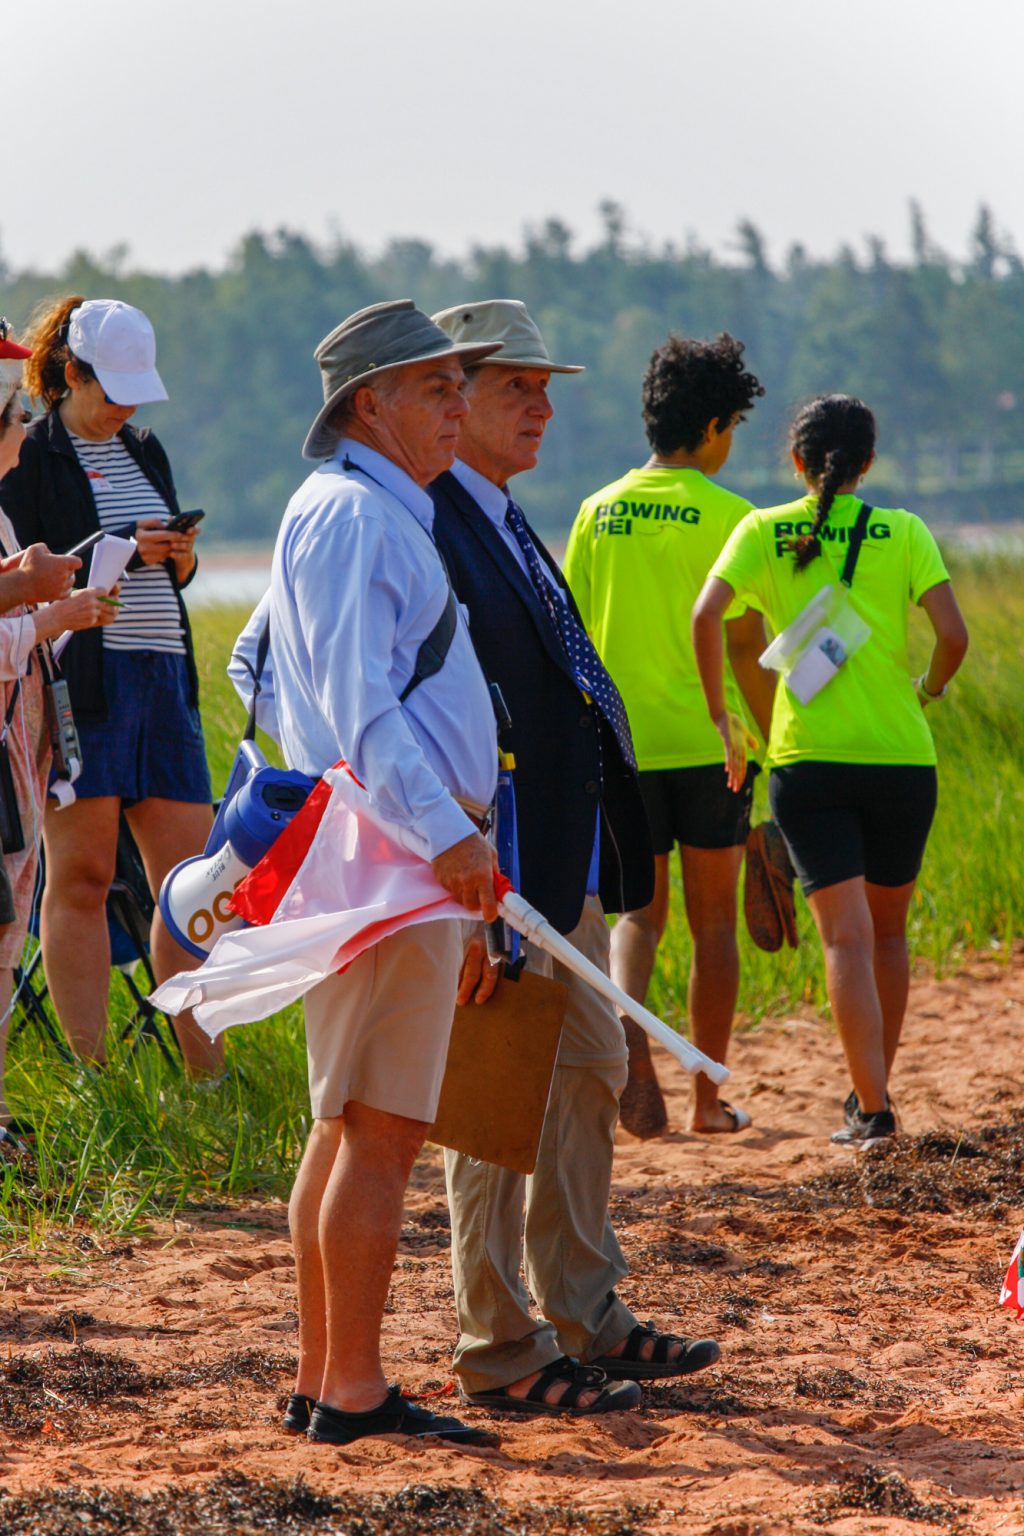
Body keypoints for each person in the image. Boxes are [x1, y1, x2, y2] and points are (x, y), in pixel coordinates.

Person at [428, 299, 718, 1416]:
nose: (541, 407)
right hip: (496, 869)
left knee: (589, 1072)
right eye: (517, 387)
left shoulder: (500, 514)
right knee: (493, 1105)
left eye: (546, 388)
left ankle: (586, 1311)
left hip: (562, 861)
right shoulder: (430, 520)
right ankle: (499, 1342)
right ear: (452, 396)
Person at [267, 300, 508, 1446]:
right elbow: (361, 706)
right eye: (435, 388)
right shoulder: (358, 515)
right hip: (394, 855)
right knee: (380, 1128)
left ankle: (327, 1380)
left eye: (459, 385)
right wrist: (446, 833)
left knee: (348, 1123)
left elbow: (262, 666)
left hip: (372, 847)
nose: (459, 405)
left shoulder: (347, 509)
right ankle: (351, 1390)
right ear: (370, 404)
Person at [693, 394, 968, 1147]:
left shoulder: (762, 529)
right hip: (902, 759)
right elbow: (953, 635)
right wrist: (929, 689)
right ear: (867, 463)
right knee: (889, 936)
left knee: (844, 940)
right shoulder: (904, 530)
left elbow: (706, 615)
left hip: (808, 763)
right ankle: (871, 1089)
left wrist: (723, 717)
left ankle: (872, 1109)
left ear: (796, 461)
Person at [0, 297, 220, 1077]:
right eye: (113, 389)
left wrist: (179, 558)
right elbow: (29, 572)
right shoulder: (31, 451)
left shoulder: (145, 448)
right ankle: (97, 1077)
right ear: (71, 372)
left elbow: (169, 574)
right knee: (84, 877)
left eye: (136, 391)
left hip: (163, 674)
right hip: (84, 682)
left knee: (193, 887)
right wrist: (127, 544)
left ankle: (209, 1071)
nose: (126, 406)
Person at [565, 333, 772, 1139]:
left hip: (621, 748)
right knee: (714, 922)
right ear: (714, 425)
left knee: (637, 919)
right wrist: (774, 739)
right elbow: (748, 647)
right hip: (712, 747)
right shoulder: (733, 517)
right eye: (733, 429)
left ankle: (630, 1036)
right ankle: (708, 1102)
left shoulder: (596, 511)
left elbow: (573, 639)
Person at [0, 319, 120, 1142]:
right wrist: (48, 613)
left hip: (18, 746)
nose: (21, 426)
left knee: (8, 936)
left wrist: (44, 600)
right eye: (14, 415)